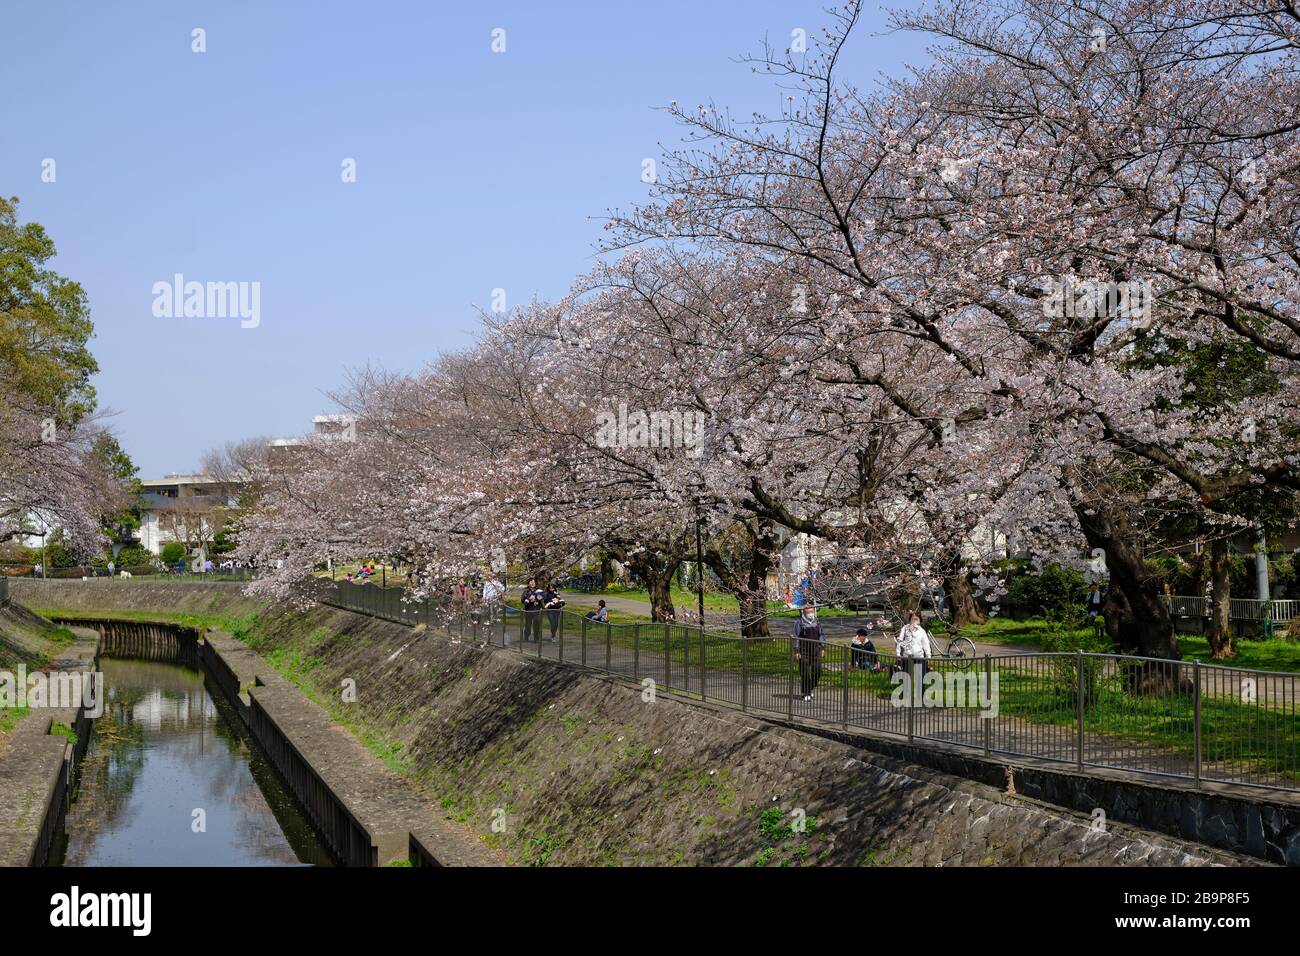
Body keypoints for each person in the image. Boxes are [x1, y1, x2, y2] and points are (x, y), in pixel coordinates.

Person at [896, 611, 932, 704]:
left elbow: (926, 644)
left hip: (919, 657)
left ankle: (920, 698)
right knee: (906, 677)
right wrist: (898, 655)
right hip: (907, 657)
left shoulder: (921, 631)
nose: (915, 620)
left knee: (920, 678)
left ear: (920, 619)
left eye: (917, 618)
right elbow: (900, 641)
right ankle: (904, 696)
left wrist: (928, 657)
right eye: (913, 618)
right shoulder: (905, 628)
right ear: (910, 619)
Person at [792, 604, 825, 701]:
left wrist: (823, 647)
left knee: (817, 671)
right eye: (808, 612)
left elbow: (821, 635)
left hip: (816, 650)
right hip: (804, 651)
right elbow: (796, 637)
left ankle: (809, 688)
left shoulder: (817, 621)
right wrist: (796, 650)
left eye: (812, 612)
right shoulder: (799, 622)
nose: (810, 614)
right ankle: (806, 693)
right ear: (804, 613)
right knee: (805, 673)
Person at [521, 577, 544, 642]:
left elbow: (542, 598)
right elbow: (522, 600)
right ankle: (526, 637)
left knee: (536, 625)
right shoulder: (526, 591)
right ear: (528, 583)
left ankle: (536, 638)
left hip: (536, 610)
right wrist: (528, 599)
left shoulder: (539, 591)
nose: (532, 583)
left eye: (533, 582)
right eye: (531, 582)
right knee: (528, 625)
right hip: (528, 610)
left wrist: (536, 598)